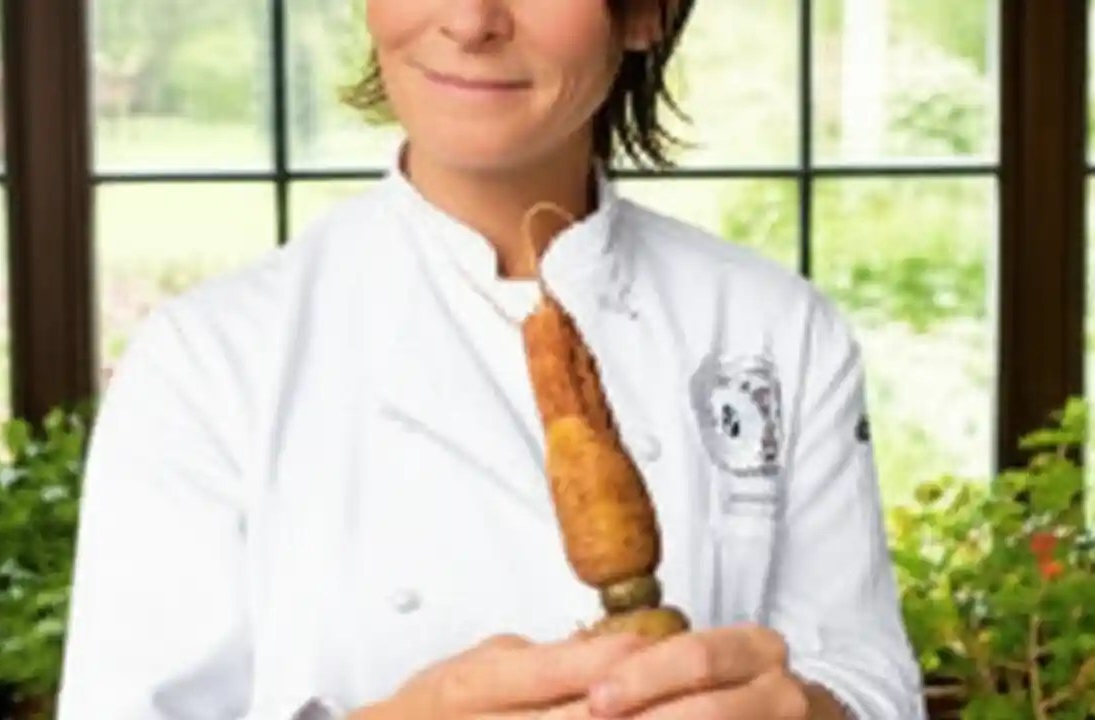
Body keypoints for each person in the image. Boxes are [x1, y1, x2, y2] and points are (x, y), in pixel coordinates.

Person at [56, 0, 926, 718]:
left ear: (647, 15)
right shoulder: (210, 360)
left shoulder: (775, 328)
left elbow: (873, 681)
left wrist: (804, 710)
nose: (471, 20)